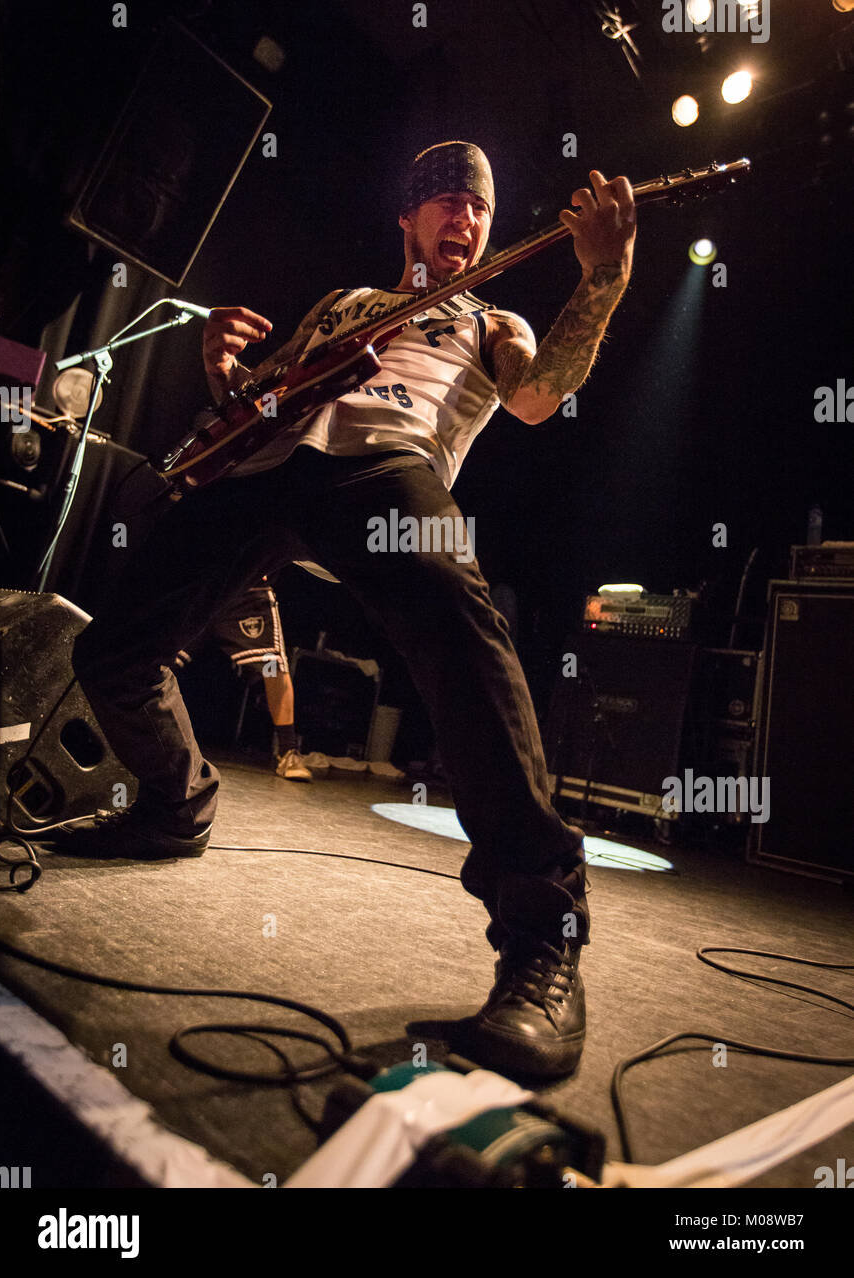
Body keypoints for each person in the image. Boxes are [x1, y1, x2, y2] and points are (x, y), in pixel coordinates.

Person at [66, 142, 636, 1078]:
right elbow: (260, 399)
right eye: (446, 201)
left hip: (388, 465)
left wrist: (604, 274)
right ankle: (176, 804)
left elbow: (538, 397)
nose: (466, 218)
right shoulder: (346, 304)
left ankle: (544, 933)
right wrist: (223, 367)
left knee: (462, 625)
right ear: (405, 219)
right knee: (115, 649)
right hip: (267, 468)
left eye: (480, 207)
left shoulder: (494, 317)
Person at [173, 577, 312, 781]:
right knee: (157, 662)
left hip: (246, 588)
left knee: (272, 666)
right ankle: (126, 733)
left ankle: (287, 749)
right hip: (198, 585)